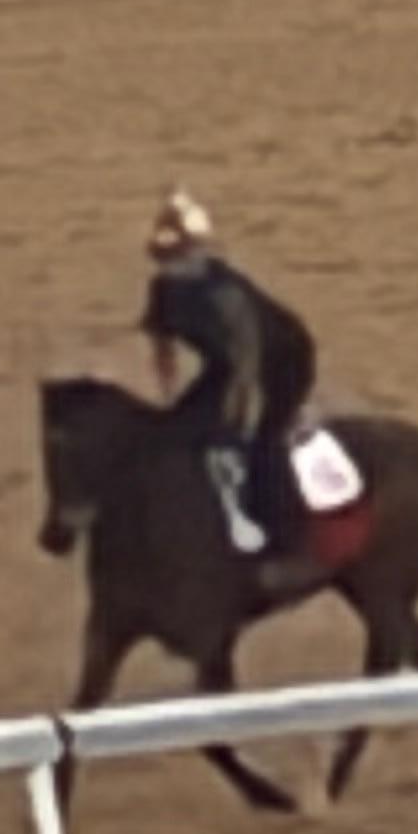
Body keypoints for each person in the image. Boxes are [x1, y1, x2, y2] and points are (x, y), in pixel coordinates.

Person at [138, 190, 321, 567]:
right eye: (163, 255)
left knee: (259, 444)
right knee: (179, 429)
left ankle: (280, 536)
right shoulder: (162, 290)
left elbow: (246, 360)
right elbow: (163, 348)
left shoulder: (225, 294)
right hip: (223, 361)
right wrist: (168, 399)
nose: (170, 263)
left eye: (177, 253)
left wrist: (239, 415)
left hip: (280, 360)